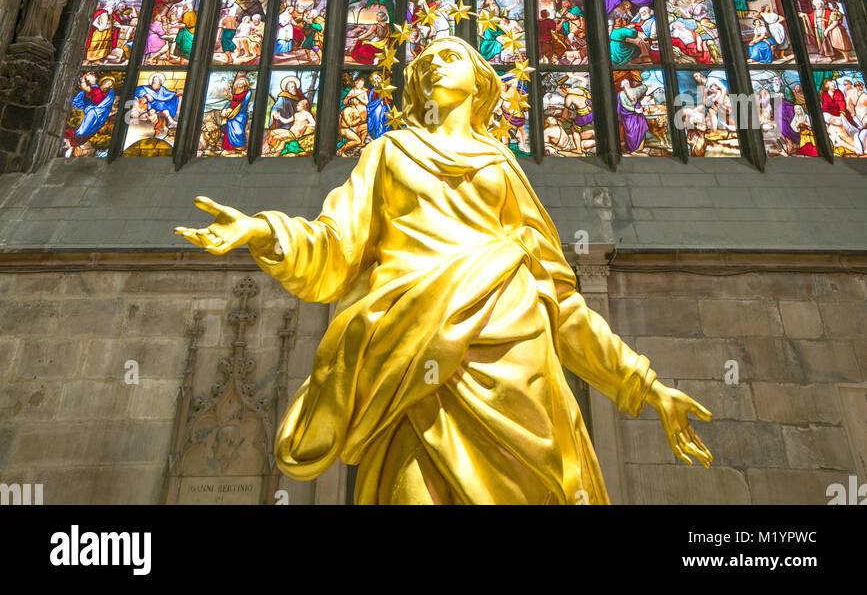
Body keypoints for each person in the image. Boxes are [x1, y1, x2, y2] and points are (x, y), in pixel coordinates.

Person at [177, 36, 712, 505]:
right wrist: (265, 232)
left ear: (481, 83)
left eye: (451, 56)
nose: (435, 64)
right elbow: (336, 245)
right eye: (425, 61)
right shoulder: (389, 153)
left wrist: (645, 385)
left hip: (515, 356)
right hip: (412, 355)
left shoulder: (502, 166)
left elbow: (564, 303)